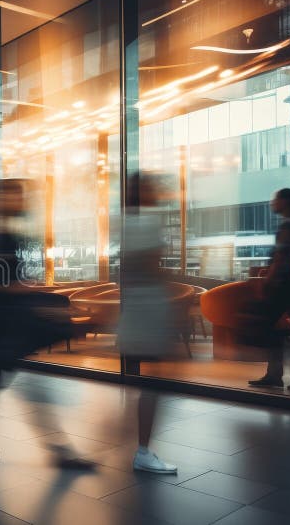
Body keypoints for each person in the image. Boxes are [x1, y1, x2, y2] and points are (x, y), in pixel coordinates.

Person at [0, 180, 79, 465]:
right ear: (3, 200)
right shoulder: (2, 236)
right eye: (16, 196)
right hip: (8, 324)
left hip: (8, 323)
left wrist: (28, 288)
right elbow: (0, 284)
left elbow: (1, 281)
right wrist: (35, 293)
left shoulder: (4, 233)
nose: (22, 200)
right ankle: (57, 448)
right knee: (10, 382)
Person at [117, 174, 178, 474]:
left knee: (148, 381)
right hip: (149, 308)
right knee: (154, 380)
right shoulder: (148, 222)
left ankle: (139, 446)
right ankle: (142, 450)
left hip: (138, 308)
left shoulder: (127, 223)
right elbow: (151, 267)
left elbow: (128, 271)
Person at [248, 188, 290, 390]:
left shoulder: (288, 226)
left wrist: (266, 281)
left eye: (275, 199)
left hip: (284, 283)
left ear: (285, 201)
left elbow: (281, 258)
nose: (272, 203)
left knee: (268, 325)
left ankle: (274, 375)